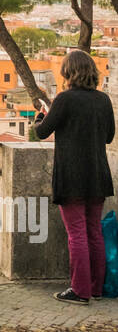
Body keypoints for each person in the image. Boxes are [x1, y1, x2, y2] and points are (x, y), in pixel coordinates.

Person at [34, 49, 115, 303]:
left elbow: (42, 132)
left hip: (72, 176)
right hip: (98, 174)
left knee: (77, 233)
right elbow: (109, 136)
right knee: (94, 232)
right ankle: (96, 288)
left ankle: (79, 290)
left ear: (68, 73)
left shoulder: (64, 99)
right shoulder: (103, 101)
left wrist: (40, 118)